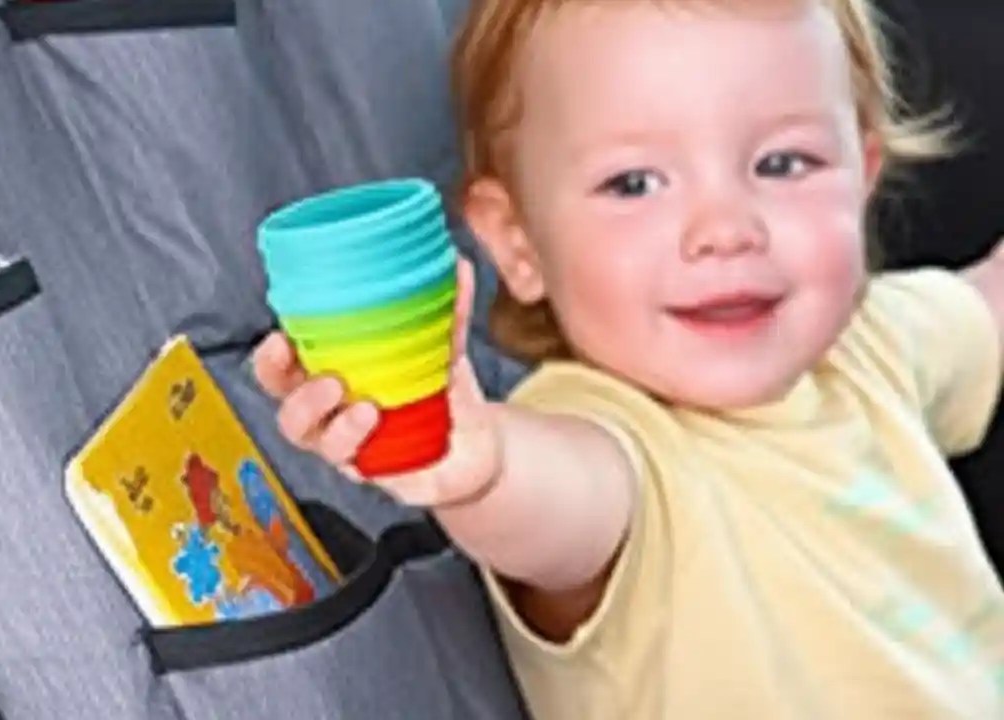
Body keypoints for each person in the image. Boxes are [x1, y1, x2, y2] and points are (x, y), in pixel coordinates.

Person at [252, 0, 1004, 716]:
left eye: (782, 164)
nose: (725, 228)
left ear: (862, 178)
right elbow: (545, 500)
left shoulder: (873, 342)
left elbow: (988, 303)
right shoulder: (606, 440)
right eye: (634, 183)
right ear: (518, 244)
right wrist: (471, 464)